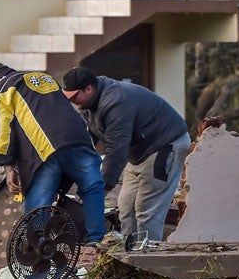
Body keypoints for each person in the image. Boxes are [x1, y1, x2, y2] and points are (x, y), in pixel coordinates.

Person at [61, 67, 192, 244]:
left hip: (164, 145)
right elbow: (85, 142)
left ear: (89, 88)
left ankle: (147, 261)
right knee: (126, 207)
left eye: (74, 96)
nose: (72, 101)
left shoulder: (116, 101)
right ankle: (129, 254)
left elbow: (116, 149)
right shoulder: (86, 104)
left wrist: (102, 187)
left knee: (147, 209)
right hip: (138, 152)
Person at [0, 63, 108, 244]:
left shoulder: (1, 88)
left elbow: (3, 132)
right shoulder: (44, 78)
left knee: (39, 205)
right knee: (92, 188)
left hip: (45, 150)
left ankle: (35, 251)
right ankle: (96, 241)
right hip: (80, 141)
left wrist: (9, 169)